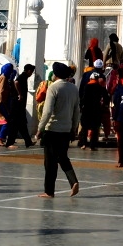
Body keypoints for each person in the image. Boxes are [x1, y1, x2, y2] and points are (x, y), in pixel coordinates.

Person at [37, 62, 80, 198]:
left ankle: (49, 191)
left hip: (52, 129)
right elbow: (76, 111)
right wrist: (74, 128)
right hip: (66, 130)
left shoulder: (53, 88)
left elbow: (47, 111)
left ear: (55, 74)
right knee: (62, 156)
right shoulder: (73, 88)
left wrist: (40, 128)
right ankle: (73, 181)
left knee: (50, 162)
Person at [79, 63, 108, 149]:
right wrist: (105, 105)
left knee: (84, 126)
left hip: (87, 108)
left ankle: (83, 143)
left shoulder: (87, 86)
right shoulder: (100, 87)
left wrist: (81, 105)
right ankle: (93, 145)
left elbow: (83, 97)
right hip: (96, 108)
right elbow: (106, 97)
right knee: (95, 127)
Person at [0, 63, 18, 147]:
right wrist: (5, 102)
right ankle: (0, 138)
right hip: (1, 101)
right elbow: (3, 90)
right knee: (7, 120)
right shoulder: (4, 78)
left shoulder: (1, 77)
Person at [12, 64, 35, 147]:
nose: (31, 73)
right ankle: (26, 141)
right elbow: (16, 82)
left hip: (20, 105)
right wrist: (20, 94)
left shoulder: (25, 77)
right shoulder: (23, 76)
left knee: (21, 124)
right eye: (31, 71)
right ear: (28, 71)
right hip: (19, 105)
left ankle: (27, 141)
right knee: (20, 124)